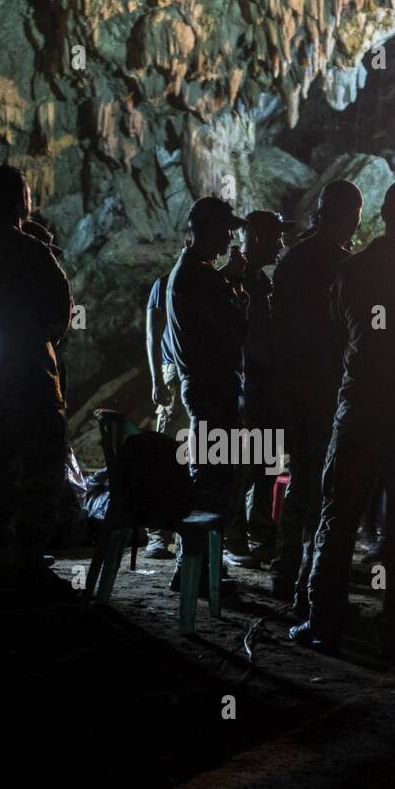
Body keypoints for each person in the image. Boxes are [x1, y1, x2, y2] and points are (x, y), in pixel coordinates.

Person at [290, 178, 395, 658]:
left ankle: (323, 624)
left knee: (338, 517)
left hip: (361, 406)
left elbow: (338, 327)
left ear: (383, 213)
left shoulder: (353, 269)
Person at [0, 165, 74, 594]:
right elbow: (59, 310)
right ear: (23, 200)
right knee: (42, 463)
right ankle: (27, 557)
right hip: (30, 371)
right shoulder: (31, 250)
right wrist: (41, 341)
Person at [270, 180, 364, 616]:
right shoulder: (346, 266)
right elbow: (351, 333)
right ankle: (313, 581)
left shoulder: (292, 261)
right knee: (330, 487)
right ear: (352, 217)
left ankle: (285, 571)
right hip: (328, 388)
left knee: (301, 479)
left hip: (293, 386)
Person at [165, 196, 250, 594]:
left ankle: (193, 567)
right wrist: (235, 283)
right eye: (226, 229)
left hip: (203, 389)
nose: (230, 237)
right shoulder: (200, 276)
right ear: (208, 229)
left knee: (210, 477)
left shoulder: (190, 272)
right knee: (214, 480)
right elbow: (235, 329)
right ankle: (198, 571)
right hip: (212, 391)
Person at [224, 210, 294, 567]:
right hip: (248, 386)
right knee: (244, 464)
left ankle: (259, 532)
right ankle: (234, 539)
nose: (281, 243)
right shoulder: (239, 282)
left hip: (265, 386)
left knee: (266, 462)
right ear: (258, 239)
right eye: (276, 236)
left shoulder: (261, 282)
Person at [142, 265, 185, 559]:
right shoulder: (166, 283)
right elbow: (152, 333)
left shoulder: (215, 280)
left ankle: (185, 533)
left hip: (204, 377)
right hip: (175, 375)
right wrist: (157, 378)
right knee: (166, 454)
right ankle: (158, 535)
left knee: (195, 458)